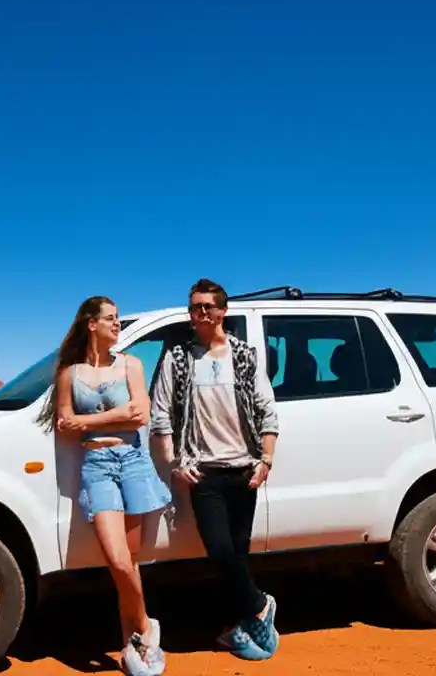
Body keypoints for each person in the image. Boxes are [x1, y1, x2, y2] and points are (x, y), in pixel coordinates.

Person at [37, 295, 172, 676]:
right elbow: (65, 422)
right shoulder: (70, 374)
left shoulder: (131, 365)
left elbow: (140, 414)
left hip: (132, 462)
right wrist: (116, 417)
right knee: (116, 560)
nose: (117, 324)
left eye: (117, 319)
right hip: (97, 466)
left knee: (127, 563)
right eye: (111, 319)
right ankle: (147, 627)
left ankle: (130, 646)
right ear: (91, 324)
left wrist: (89, 422)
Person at [150, 278, 281, 660]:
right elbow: (161, 418)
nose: (201, 313)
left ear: (223, 311)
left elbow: (266, 410)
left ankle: (235, 630)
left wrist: (266, 461)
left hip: (245, 470)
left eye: (208, 306)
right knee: (221, 552)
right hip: (203, 472)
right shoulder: (177, 359)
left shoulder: (245, 355)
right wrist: (175, 463)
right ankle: (260, 605)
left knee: (236, 557)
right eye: (194, 307)